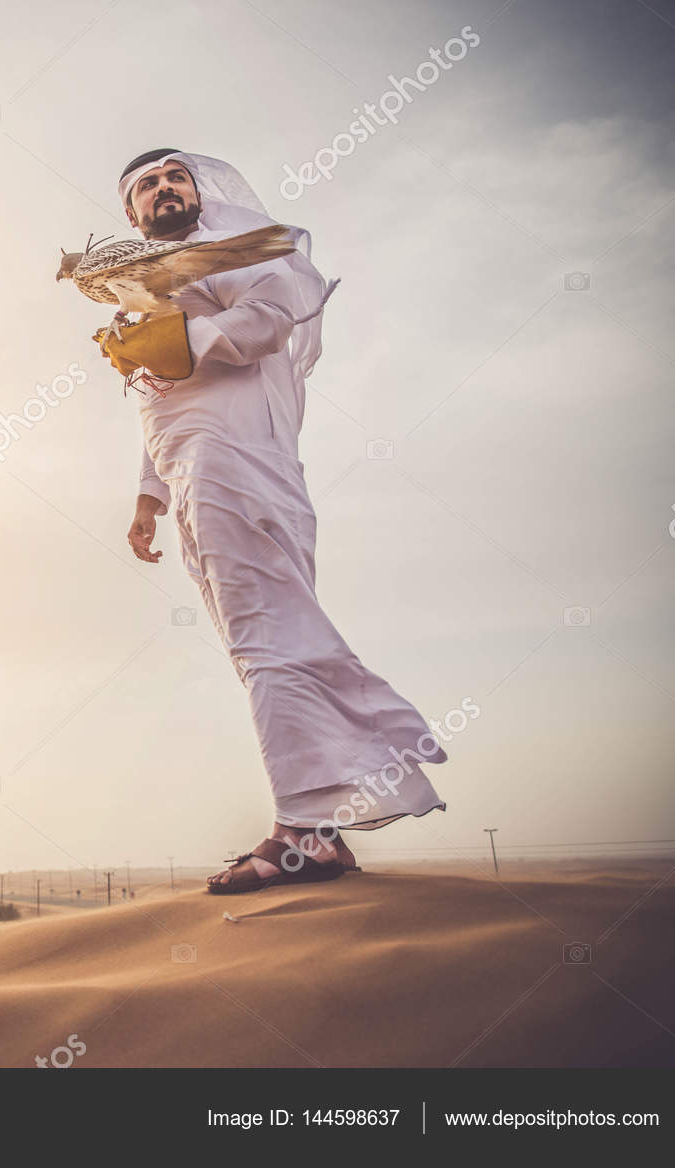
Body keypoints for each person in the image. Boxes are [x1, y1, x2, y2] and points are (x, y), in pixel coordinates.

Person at [97, 149, 448, 894]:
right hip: (196, 480)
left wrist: (172, 339)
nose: (165, 188)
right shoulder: (144, 290)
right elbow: (160, 406)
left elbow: (263, 326)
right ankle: (316, 830)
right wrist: (147, 501)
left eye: (175, 177)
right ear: (132, 215)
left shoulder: (243, 256)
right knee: (259, 642)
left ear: (197, 190)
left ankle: (300, 830)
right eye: (147, 186)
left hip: (242, 465)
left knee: (267, 639)